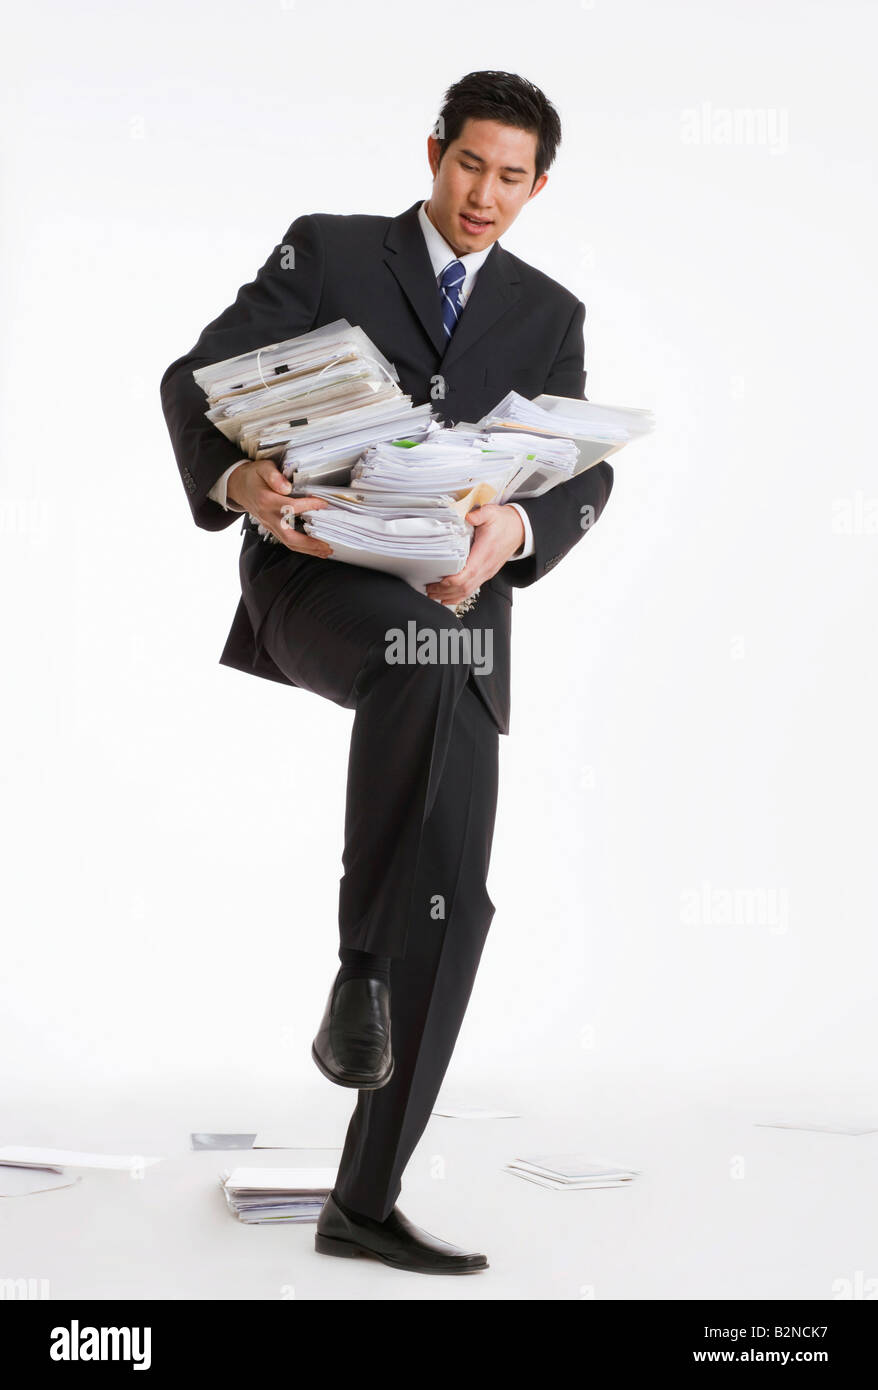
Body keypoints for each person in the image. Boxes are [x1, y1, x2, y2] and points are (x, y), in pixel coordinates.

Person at [160, 70, 614, 1276]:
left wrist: (510, 533)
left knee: (454, 903)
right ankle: (359, 967)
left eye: (511, 177)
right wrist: (240, 480)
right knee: (422, 661)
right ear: (433, 155)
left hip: (458, 612)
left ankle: (363, 1198)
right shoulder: (332, 252)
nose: (484, 195)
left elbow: (576, 472)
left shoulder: (548, 311)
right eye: (469, 165)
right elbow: (191, 379)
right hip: (319, 582)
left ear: (538, 186)